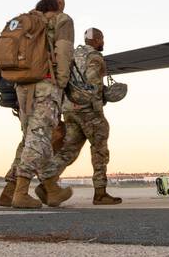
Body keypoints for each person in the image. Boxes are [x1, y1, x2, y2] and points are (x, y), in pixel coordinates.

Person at [9, 0, 76, 209]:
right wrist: (61, 84)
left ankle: (51, 188)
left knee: (36, 136)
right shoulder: (61, 19)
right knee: (39, 137)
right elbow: (64, 52)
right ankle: (20, 191)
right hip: (46, 84)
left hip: (22, 86)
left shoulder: (28, 20)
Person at [41, 27, 121, 205]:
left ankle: (47, 181)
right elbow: (93, 81)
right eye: (101, 39)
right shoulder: (94, 57)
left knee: (68, 150)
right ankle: (100, 193)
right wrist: (103, 96)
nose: (103, 42)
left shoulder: (72, 55)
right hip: (89, 111)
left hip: (70, 109)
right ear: (97, 40)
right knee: (99, 150)